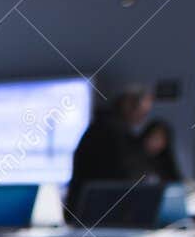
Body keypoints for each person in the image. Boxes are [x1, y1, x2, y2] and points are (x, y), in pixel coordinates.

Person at [65, 85, 153, 216]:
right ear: (127, 103)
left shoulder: (98, 127)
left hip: (85, 211)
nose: (142, 119)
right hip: (103, 214)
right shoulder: (115, 132)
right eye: (142, 112)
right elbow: (128, 176)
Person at [133, 118, 181, 183]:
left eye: (160, 139)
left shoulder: (167, 163)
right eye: (153, 137)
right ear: (145, 137)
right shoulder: (132, 159)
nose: (156, 142)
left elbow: (177, 183)